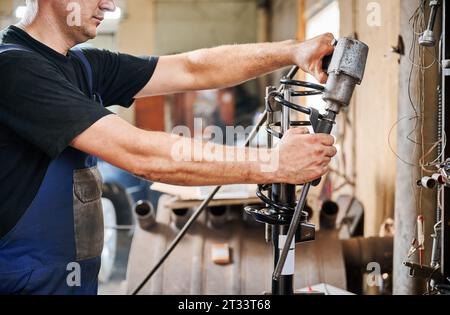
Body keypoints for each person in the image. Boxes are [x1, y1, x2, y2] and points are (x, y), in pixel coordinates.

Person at [0, 0, 337, 295]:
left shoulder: (83, 66)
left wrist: (293, 51)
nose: (110, 5)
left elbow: (192, 69)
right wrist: (273, 163)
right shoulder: (13, 70)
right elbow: (140, 153)